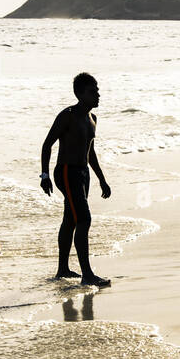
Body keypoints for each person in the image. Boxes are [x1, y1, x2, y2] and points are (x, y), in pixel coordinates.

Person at [40, 73, 112, 285]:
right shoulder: (68, 115)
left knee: (71, 219)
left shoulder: (93, 119)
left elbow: (90, 152)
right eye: (92, 91)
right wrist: (44, 175)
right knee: (84, 218)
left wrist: (102, 178)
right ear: (79, 94)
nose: (97, 95)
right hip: (66, 171)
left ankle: (63, 269)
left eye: (97, 90)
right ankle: (87, 275)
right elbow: (47, 144)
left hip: (83, 173)